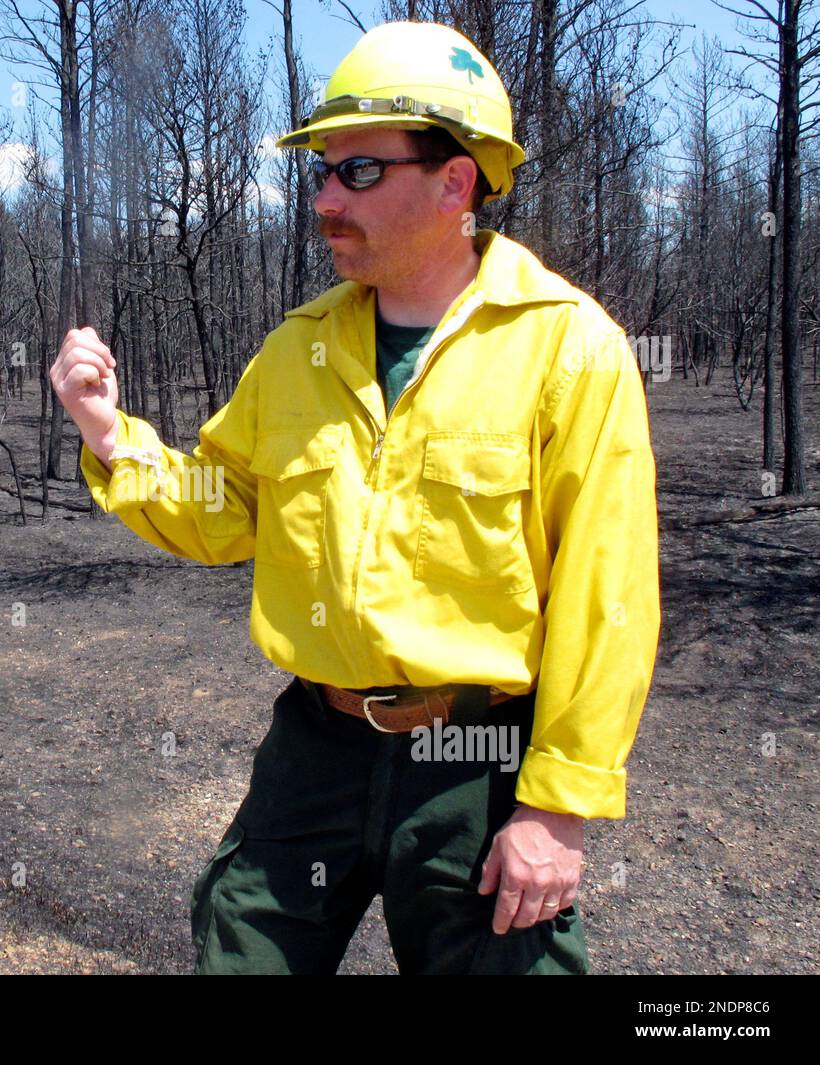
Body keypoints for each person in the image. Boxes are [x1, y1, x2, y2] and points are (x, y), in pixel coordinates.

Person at [49, 20, 660, 975]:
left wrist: (557, 806)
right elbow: (222, 507)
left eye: (359, 172)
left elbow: (608, 595)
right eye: (322, 172)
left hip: (482, 761)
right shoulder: (302, 346)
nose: (326, 198)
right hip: (317, 746)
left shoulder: (569, 348)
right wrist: (107, 433)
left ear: (456, 180)